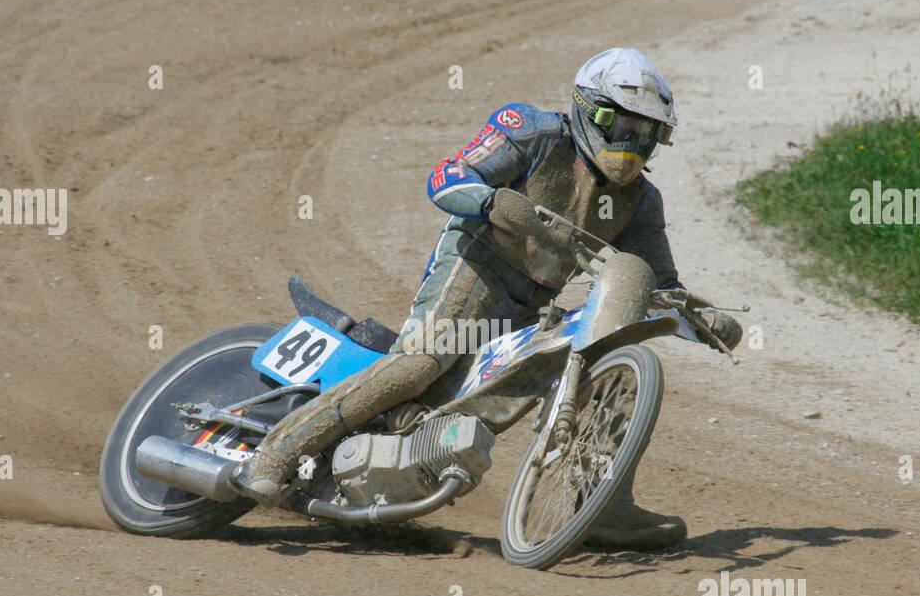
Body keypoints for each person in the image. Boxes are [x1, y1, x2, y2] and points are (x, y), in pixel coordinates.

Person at [234, 48, 741, 548]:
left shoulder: (641, 202)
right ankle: (278, 453)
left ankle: (602, 501)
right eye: (624, 128)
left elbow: (658, 278)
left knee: (595, 373)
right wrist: (491, 199)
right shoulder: (530, 130)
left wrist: (702, 313)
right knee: (420, 365)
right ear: (592, 112)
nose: (633, 145)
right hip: (475, 269)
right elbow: (448, 175)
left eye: (648, 135)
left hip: (532, 306)